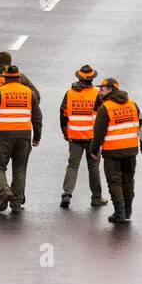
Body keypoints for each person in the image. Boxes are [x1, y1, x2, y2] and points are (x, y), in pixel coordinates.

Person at [87, 78, 142, 224]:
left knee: (114, 182)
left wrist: (94, 150)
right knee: (128, 180)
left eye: (102, 89)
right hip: (130, 151)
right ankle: (127, 211)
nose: (100, 91)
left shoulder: (105, 108)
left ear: (110, 90)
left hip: (113, 152)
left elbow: (98, 133)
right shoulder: (132, 104)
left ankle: (119, 213)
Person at [0, 64, 41, 213]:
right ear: (19, 77)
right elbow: (37, 117)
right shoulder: (29, 93)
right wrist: (37, 136)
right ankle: (16, 202)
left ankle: (4, 191)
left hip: (2, 136)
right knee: (20, 169)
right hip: (24, 136)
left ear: (5, 78)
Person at [59, 65, 106, 209]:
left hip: (74, 136)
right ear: (92, 79)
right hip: (92, 138)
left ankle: (67, 194)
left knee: (72, 166)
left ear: (78, 78)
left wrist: (65, 132)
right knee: (94, 168)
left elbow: (63, 115)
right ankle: (96, 198)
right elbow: (103, 117)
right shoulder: (98, 95)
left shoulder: (69, 94)